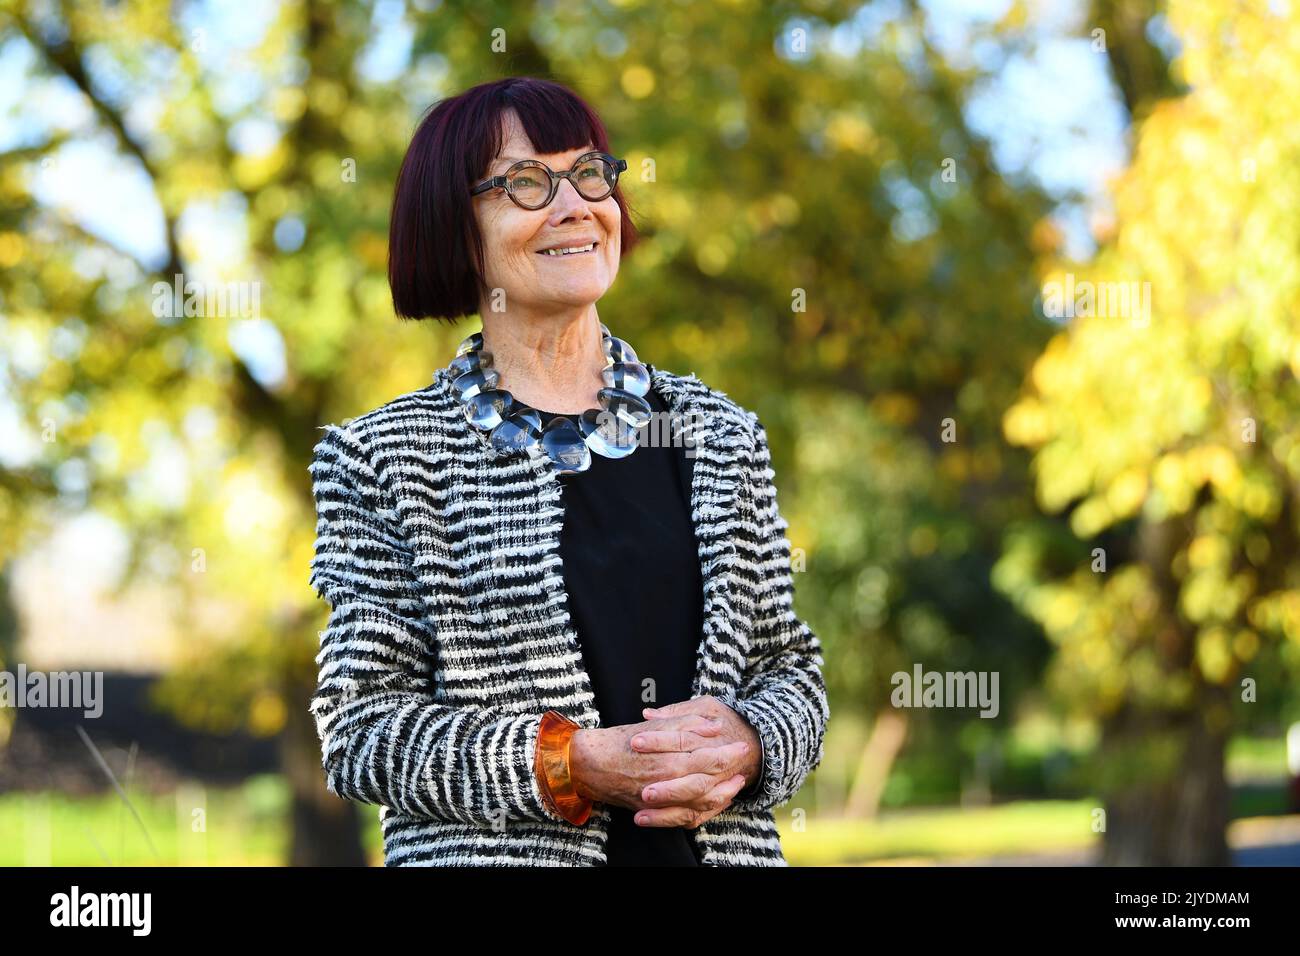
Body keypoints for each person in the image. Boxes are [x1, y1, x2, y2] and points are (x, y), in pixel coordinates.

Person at [308, 76, 828, 866]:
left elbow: (790, 670)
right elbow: (362, 730)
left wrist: (754, 742)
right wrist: (568, 763)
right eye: (524, 183)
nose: (575, 204)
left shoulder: (720, 435)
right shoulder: (386, 459)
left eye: (590, 173)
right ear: (456, 227)